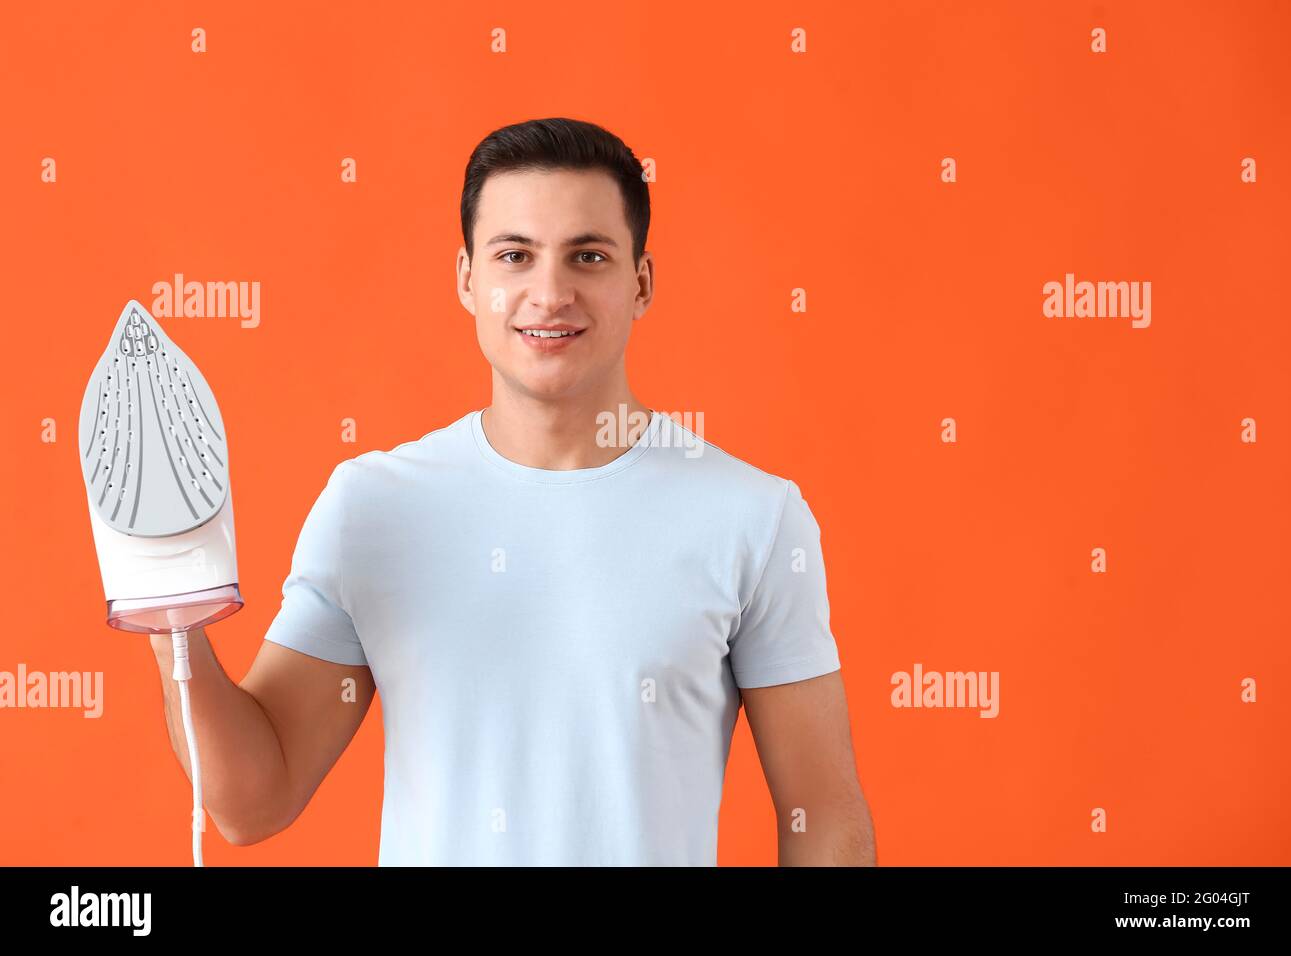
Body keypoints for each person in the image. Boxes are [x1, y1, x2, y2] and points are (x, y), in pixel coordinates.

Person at [150, 117, 876, 866]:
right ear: (469, 278)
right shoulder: (372, 508)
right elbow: (250, 802)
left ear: (642, 282)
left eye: (587, 256)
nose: (550, 292)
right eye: (515, 256)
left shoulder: (753, 518)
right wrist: (165, 593)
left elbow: (823, 816)